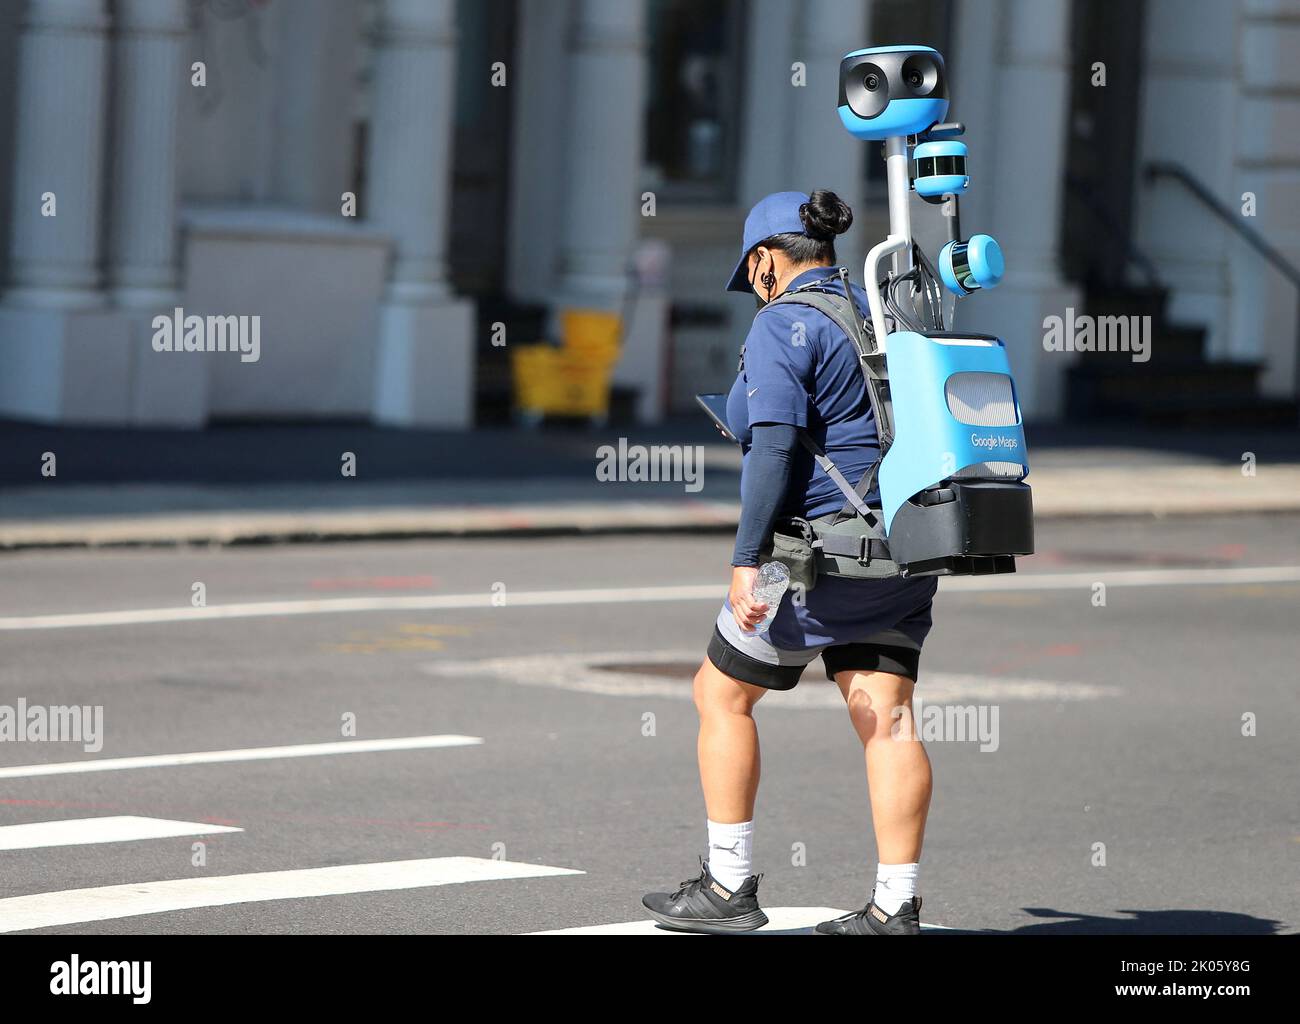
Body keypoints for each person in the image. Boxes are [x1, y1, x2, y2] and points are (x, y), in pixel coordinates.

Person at [641, 189, 939, 935]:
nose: (755, 290)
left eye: (753, 276)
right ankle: (895, 905)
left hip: (824, 556)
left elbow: (771, 449)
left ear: (766, 260)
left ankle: (728, 884)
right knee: (890, 720)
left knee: (719, 694)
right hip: (907, 546)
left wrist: (746, 560)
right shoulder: (878, 312)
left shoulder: (784, 323)